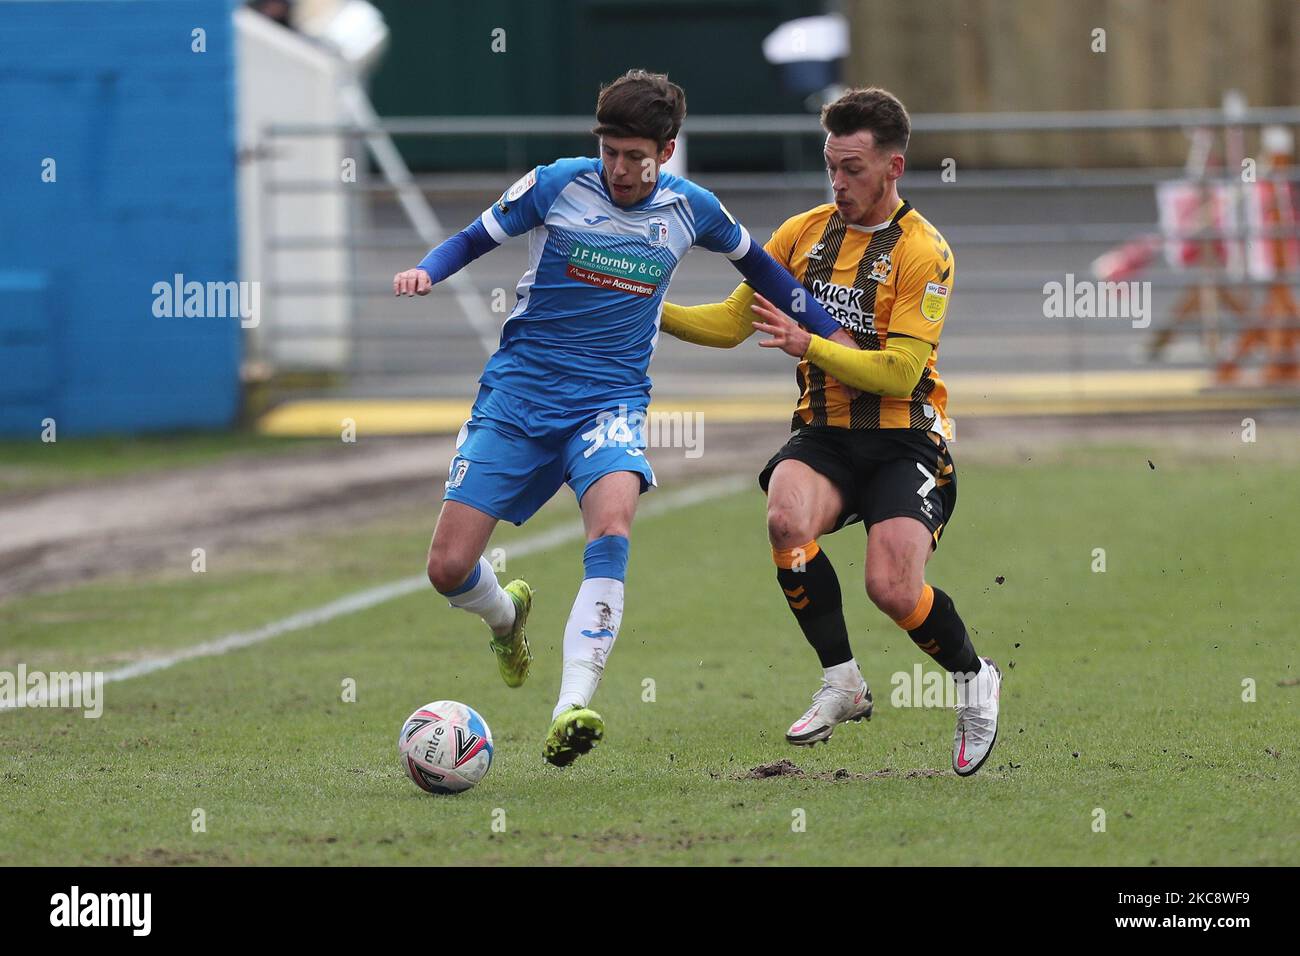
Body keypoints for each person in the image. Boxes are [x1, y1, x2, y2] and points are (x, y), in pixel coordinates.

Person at [394, 70, 858, 767]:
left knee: (611, 525)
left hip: (609, 402)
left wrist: (831, 336)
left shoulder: (692, 209)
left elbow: (766, 274)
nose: (618, 169)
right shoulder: (556, 184)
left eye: (634, 156)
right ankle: (505, 615)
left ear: (666, 152)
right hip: (518, 396)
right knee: (447, 566)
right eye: (609, 151)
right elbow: (471, 237)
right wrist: (428, 271)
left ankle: (571, 705)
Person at [658, 87, 1002, 776]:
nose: (838, 183)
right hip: (823, 434)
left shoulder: (924, 253)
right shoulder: (802, 233)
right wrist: (646, 305)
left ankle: (974, 678)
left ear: (893, 167)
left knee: (892, 588)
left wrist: (807, 344)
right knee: (785, 520)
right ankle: (843, 680)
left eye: (852, 168)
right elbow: (732, 323)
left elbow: (902, 373)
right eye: (830, 167)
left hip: (906, 440)